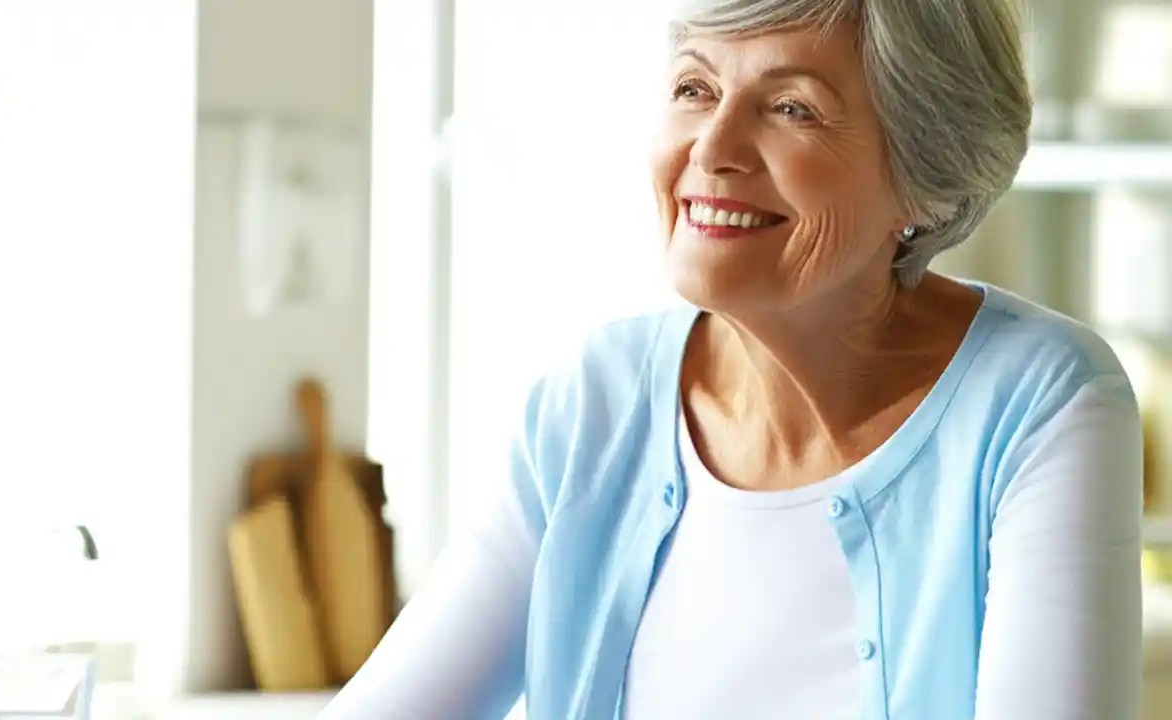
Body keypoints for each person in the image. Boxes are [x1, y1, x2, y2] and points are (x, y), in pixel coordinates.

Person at [322, 0, 1144, 717]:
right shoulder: (596, 406)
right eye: (695, 89)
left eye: (791, 108)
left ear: (926, 178)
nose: (713, 148)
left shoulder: (1042, 404)